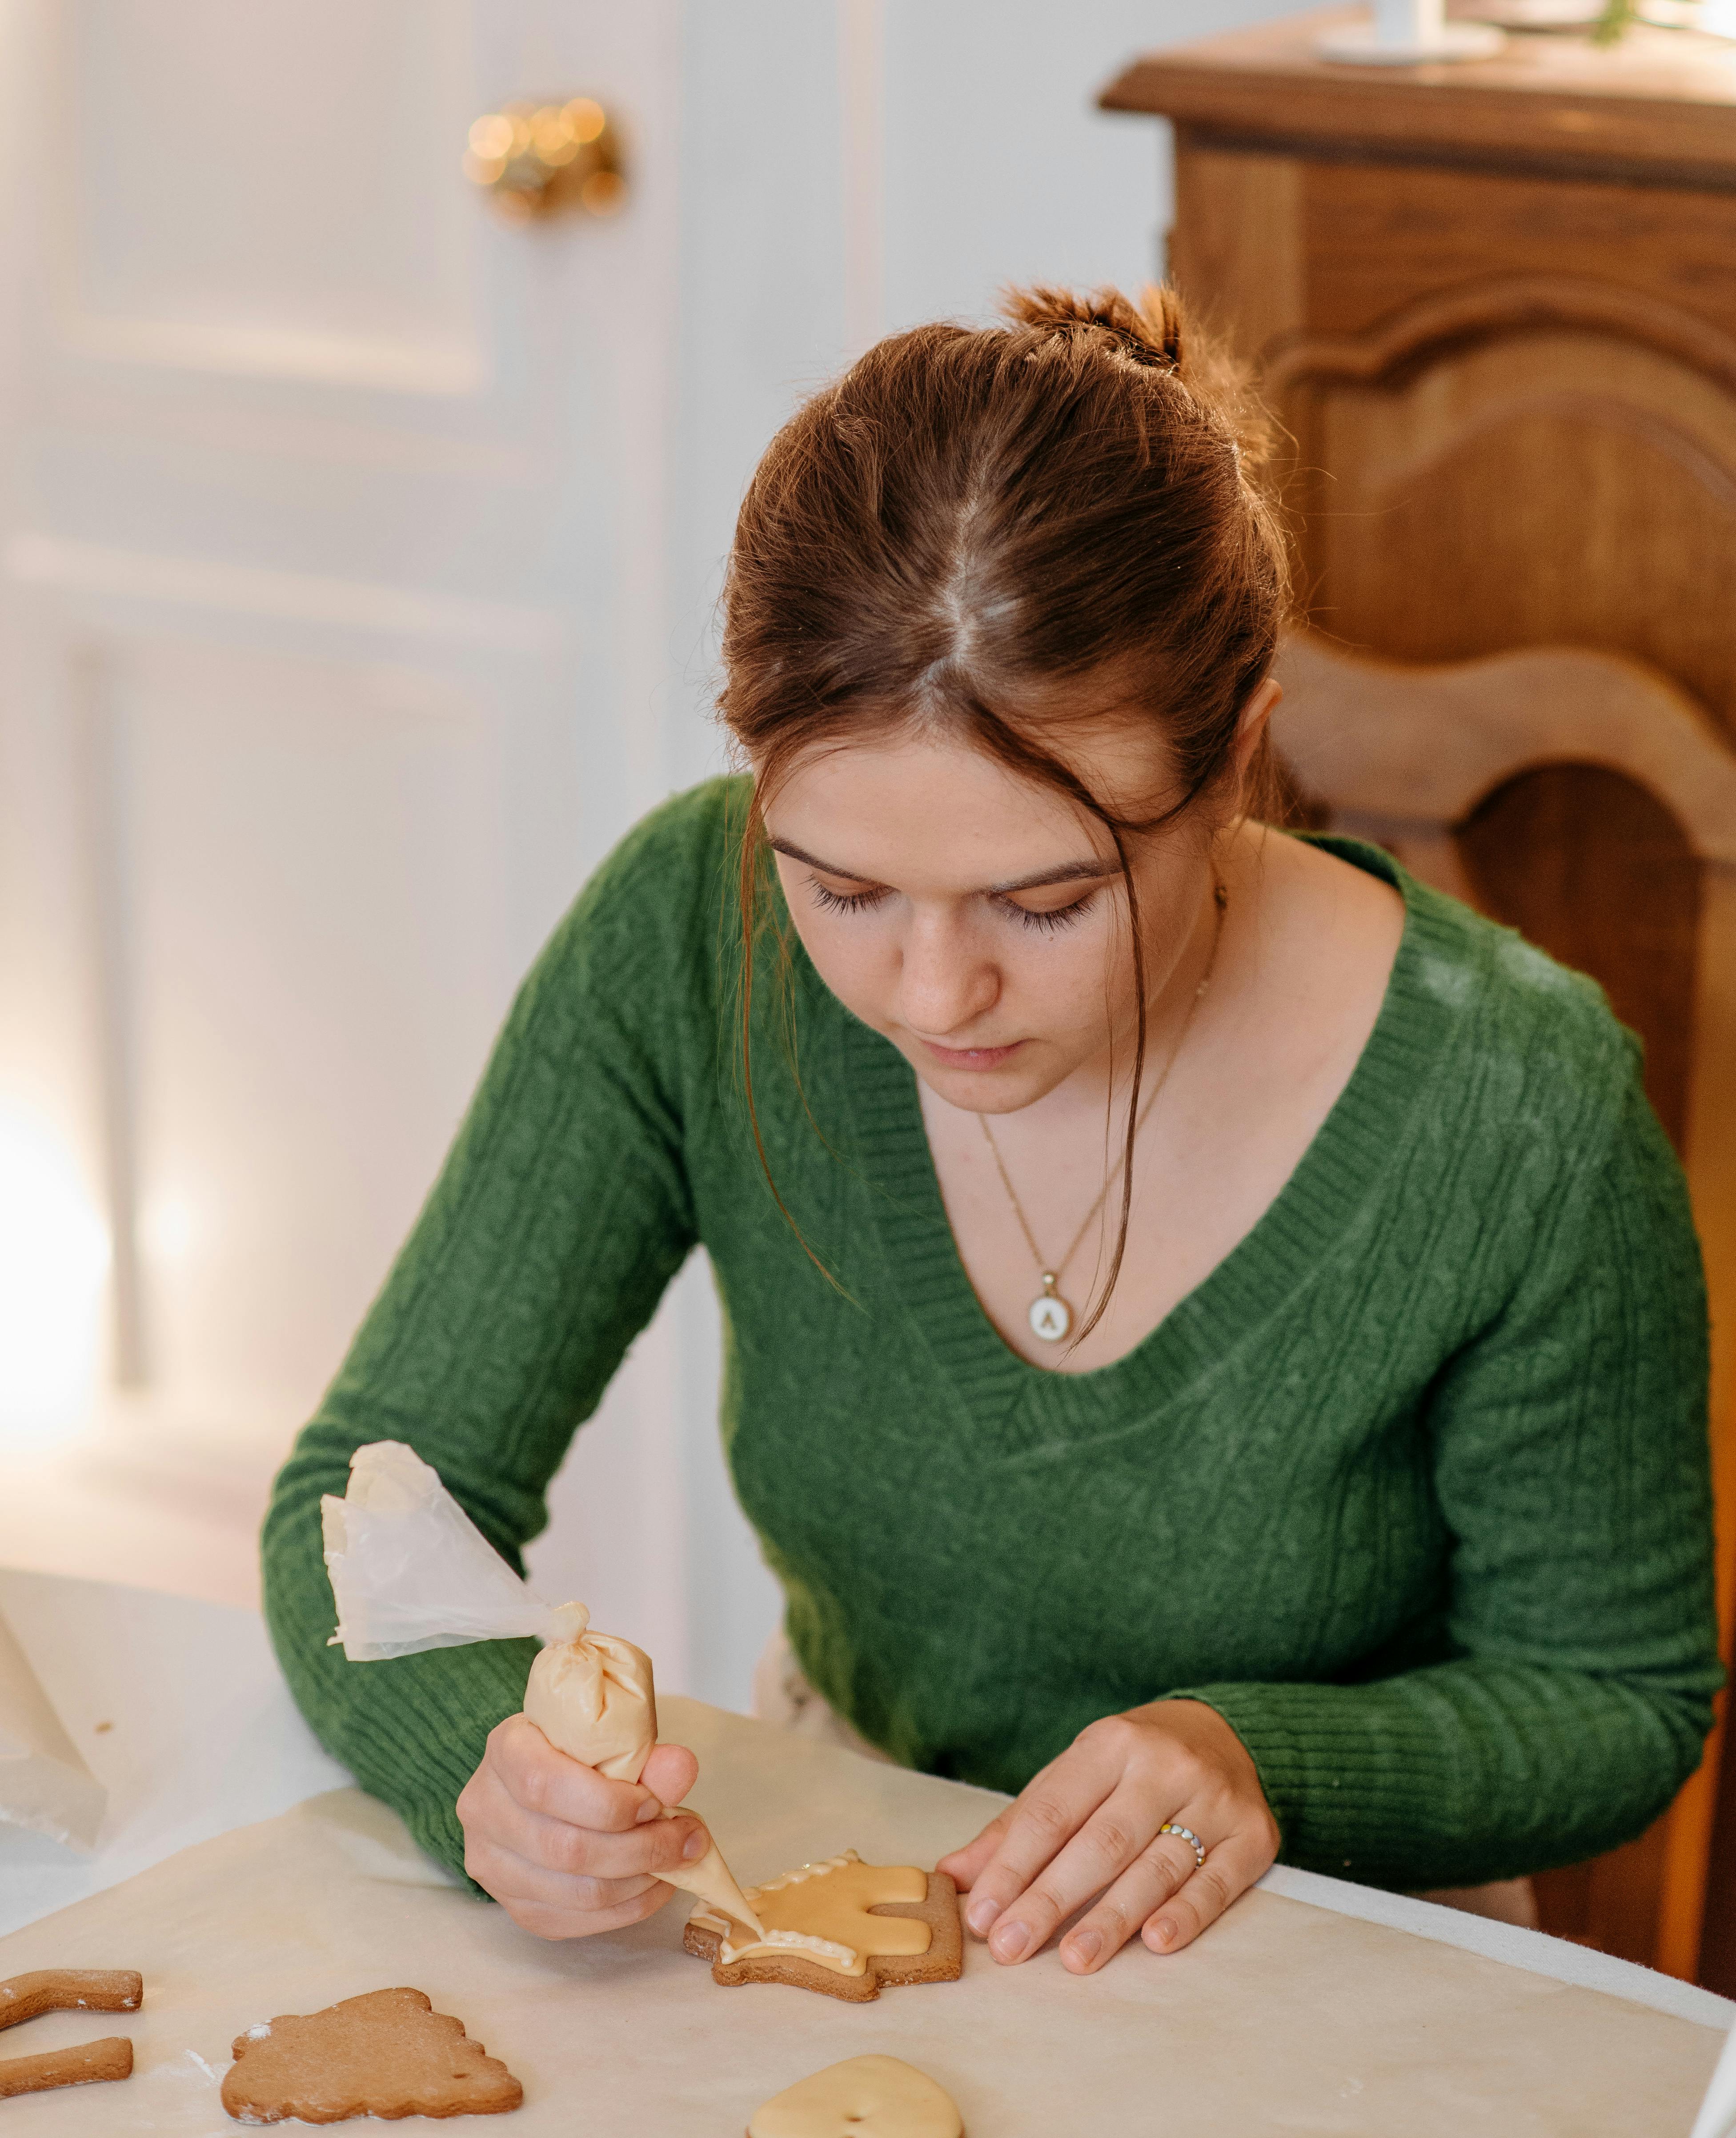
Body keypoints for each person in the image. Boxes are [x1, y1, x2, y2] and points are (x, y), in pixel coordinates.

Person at [263, 285, 1721, 1977]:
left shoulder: (1517, 1103)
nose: (933, 989)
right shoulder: (687, 925)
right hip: (849, 1871)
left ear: (1237, 758)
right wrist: (484, 1775)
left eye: (1041, 900)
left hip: (1326, 1942)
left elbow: (1612, 1697)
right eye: (845, 886)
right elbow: (370, 1496)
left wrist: (1261, 1758)